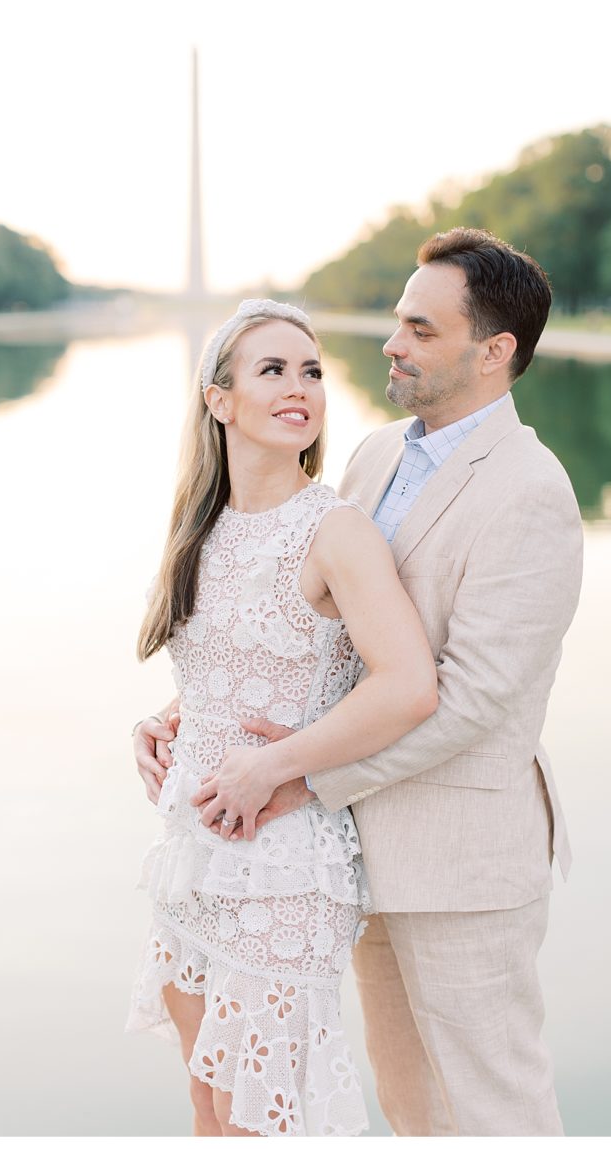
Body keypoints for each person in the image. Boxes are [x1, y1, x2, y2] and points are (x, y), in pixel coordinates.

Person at [135, 228, 583, 1135]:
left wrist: (298, 777)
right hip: (353, 849)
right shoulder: (377, 455)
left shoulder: (533, 490)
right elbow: (317, 634)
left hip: (459, 856)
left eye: (420, 328)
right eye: (397, 323)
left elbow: (469, 696)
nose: (391, 343)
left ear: (494, 352)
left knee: (494, 1109)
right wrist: (196, 709)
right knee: (411, 1105)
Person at [126, 298, 440, 1136]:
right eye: (273, 369)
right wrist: (160, 724)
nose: (299, 386)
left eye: (311, 371)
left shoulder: (335, 529)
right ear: (219, 398)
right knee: (205, 1103)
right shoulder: (202, 528)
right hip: (192, 848)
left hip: (284, 867)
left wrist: (277, 763)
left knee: (259, 1115)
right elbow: (226, 669)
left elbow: (408, 683)